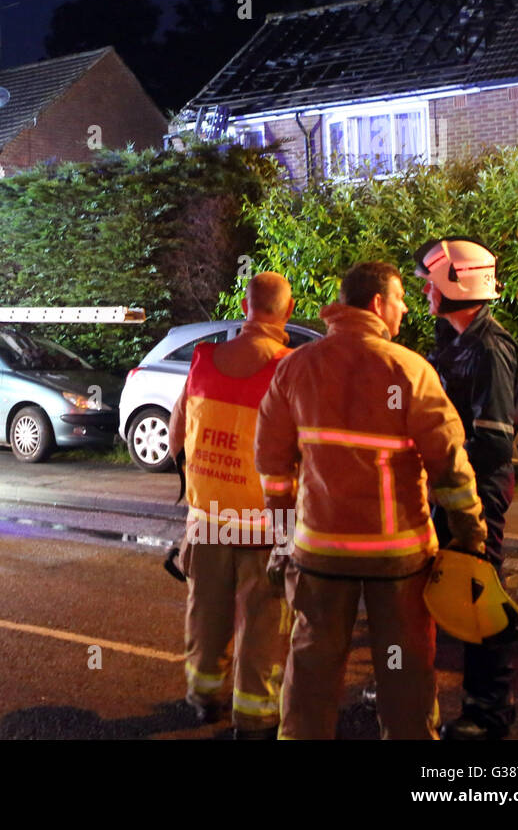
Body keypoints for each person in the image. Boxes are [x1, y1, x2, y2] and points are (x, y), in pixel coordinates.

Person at [255, 261, 487, 740]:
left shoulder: (296, 368)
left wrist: (283, 541)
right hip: (398, 557)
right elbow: (448, 463)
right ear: (378, 304)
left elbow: (272, 466)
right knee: (404, 676)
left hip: (320, 554)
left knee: (312, 670)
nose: (405, 307)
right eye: (400, 299)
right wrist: (470, 534)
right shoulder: (408, 370)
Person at [167, 272, 296, 739]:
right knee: (264, 622)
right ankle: (256, 717)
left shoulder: (203, 360)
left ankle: (204, 697)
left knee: (207, 612)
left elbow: (177, 434)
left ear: (245, 306)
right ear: (289, 309)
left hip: (207, 522)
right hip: (265, 526)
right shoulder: (289, 368)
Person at [415, 238, 518, 740]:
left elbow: (495, 443)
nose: (425, 291)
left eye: (430, 283)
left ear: (458, 283)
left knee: (481, 592)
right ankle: (412, 687)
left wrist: (452, 483)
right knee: (438, 589)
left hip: (480, 491)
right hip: (453, 489)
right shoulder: (454, 340)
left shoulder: (489, 348)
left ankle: (489, 710)